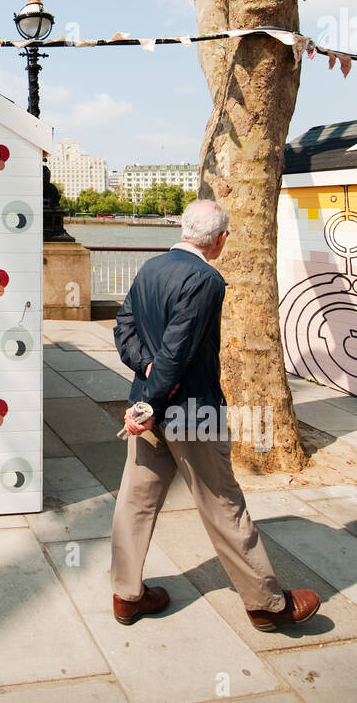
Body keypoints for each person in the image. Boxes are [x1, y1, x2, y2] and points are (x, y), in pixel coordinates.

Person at [110, 198, 320, 631]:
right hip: (188, 413)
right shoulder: (207, 279)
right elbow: (178, 354)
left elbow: (124, 327)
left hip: (149, 406)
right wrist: (152, 398)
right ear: (220, 238)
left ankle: (126, 595)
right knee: (223, 505)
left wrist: (144, 380)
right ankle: (265, 603)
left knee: (135, 502)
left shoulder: (152, 268)